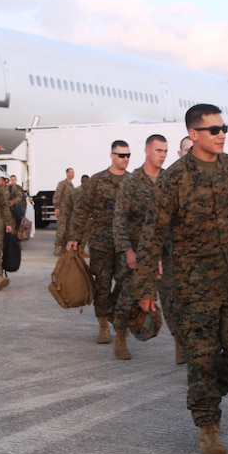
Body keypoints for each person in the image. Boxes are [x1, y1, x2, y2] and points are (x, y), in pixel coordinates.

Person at [133, 104, 228, 454]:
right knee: (202, 358)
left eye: (223, 127)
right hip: (193, 286)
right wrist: (145, 288)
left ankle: (209, 392)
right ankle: (208, 424)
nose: (222, 134)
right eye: (213, 129)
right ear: (193, 135)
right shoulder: (174, 178)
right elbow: (151, 234)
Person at [68, 140, 131, 344]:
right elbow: (81, 210)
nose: (125, 159)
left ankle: (114, 312)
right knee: (102, 285)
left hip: (124, 244)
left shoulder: (133, 181)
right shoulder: (97, 180)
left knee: (126, 283)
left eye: (128, 155)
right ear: (112, 155)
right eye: (122, 155)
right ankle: (103, 325)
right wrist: (74, 237)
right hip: (101, 242)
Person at [111, 134, 168, 360]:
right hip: (136, 251)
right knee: (128, 296)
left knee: (172, 298)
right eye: (158, 150)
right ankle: (121, 336)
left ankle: (181, 345)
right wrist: (127, 250)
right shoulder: (132, 182)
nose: (162, 155)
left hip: (164, 252)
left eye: (165, 151)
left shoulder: (168, 181)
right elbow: (119, 218)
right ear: (147, 151)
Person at [53, 168, 75, 256]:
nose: (72, 174)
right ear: (66, 173)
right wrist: (56, 207)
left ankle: (63, 248)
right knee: (61, 229)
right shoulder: (62, 184)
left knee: (67, 230)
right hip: (62, 210)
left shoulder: (72, 185)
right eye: (71, 172)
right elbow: (57, 195)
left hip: (69, 211)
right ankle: (57, 247)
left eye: (73, 173)